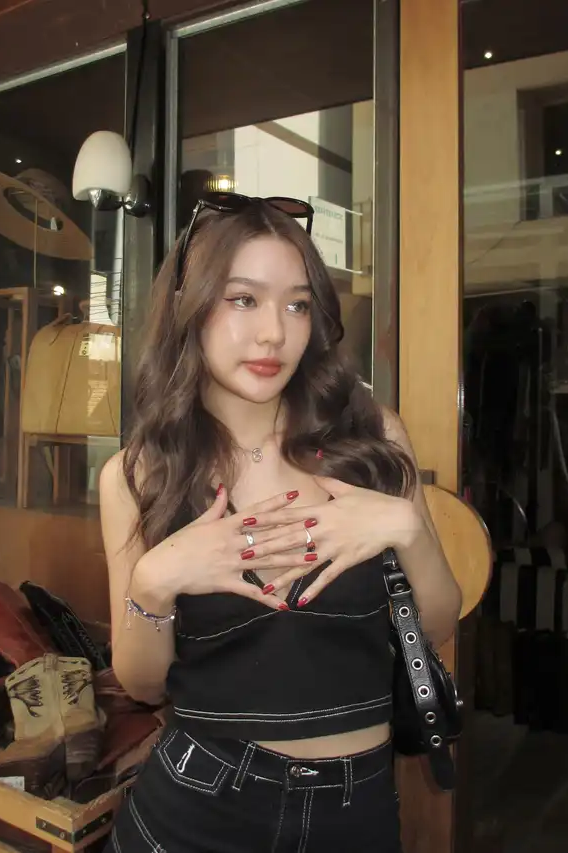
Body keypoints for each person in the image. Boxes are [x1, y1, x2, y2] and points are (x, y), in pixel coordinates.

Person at [99, 193, 462, 853]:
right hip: (196, 805)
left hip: (357, 810)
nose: (274, 333)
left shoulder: (372, 437)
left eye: (297, 305)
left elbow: (436, 622)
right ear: (188, 306)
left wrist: (405, 528)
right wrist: (153, 583)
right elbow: (143, 683)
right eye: (243, 299)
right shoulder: (140, 473)